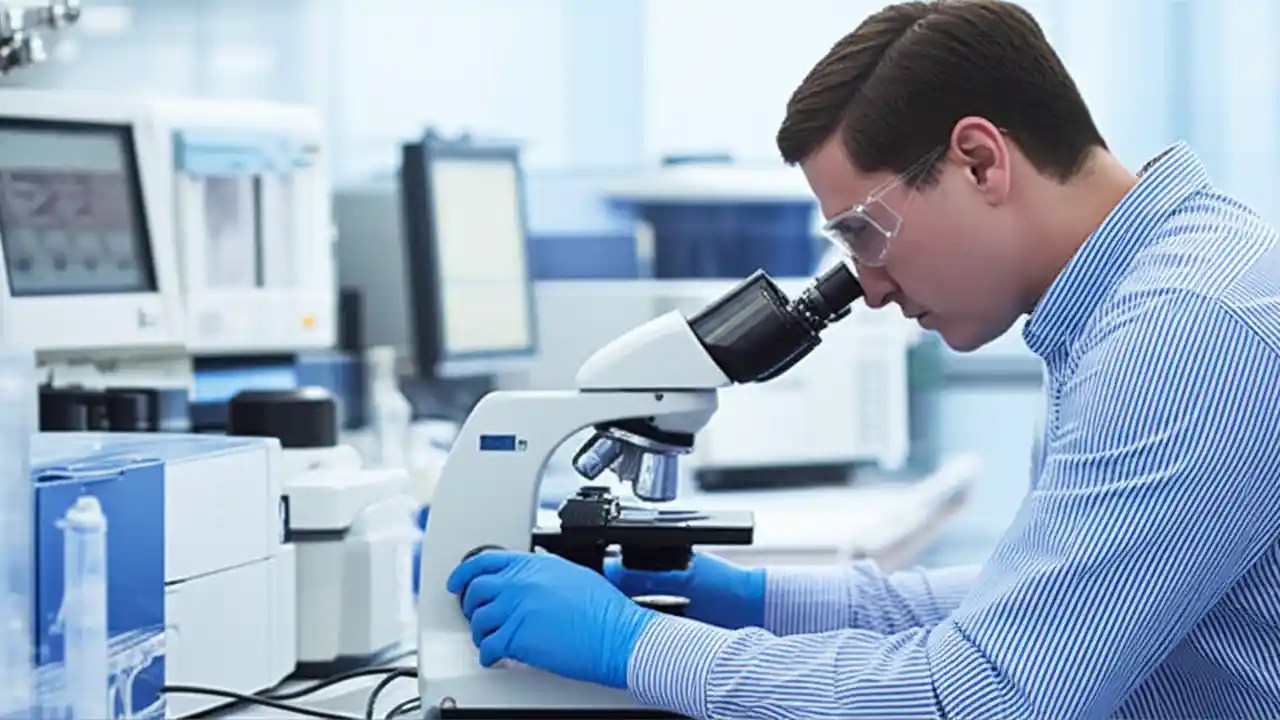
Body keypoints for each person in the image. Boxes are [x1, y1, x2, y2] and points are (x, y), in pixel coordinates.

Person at [446, 0, 1280, 717]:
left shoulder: (1186, 332)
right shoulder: (1139, 298)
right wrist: (761, 604)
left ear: (981, 161)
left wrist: (640, 649)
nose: (869, 286)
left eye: (863, 231)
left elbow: (984, 695)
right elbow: (1041, 604)